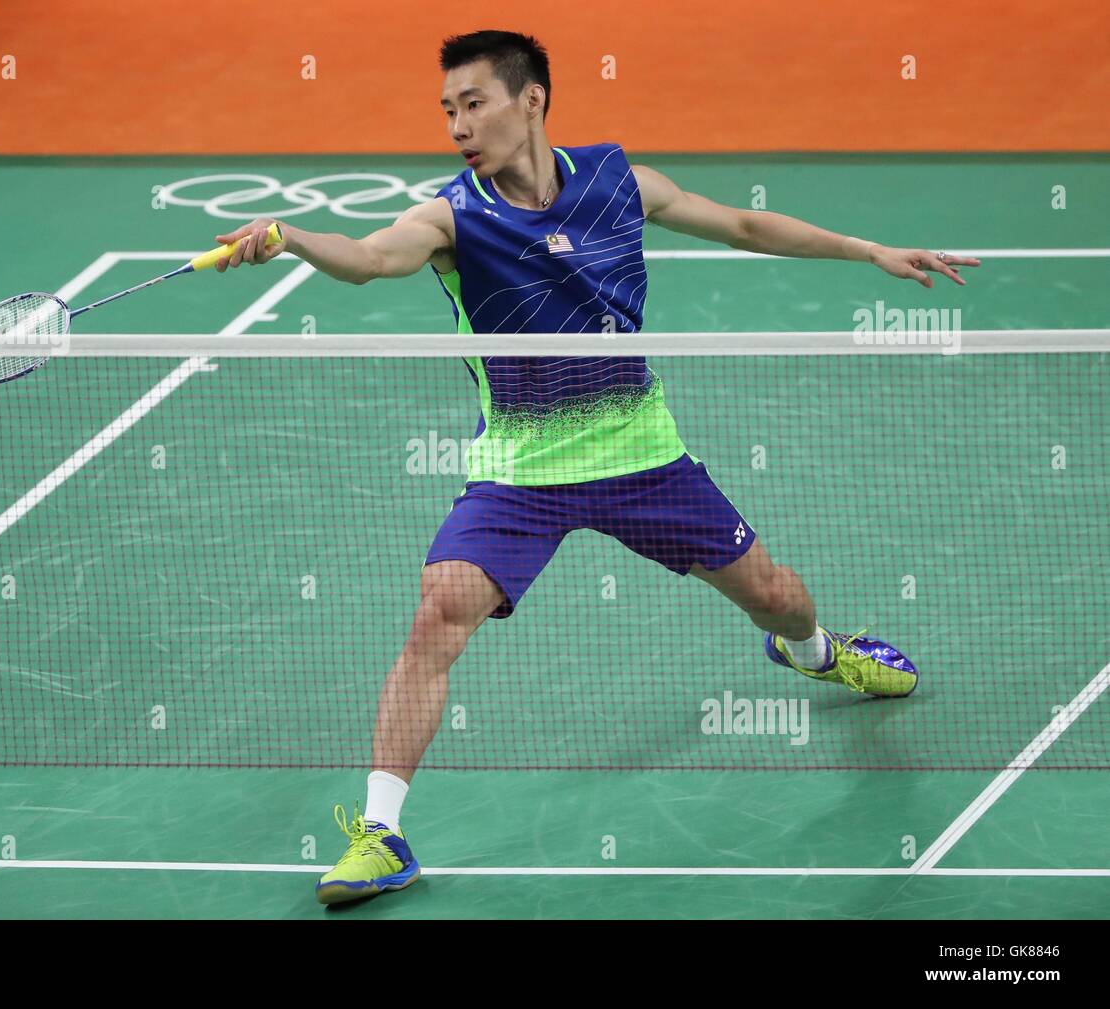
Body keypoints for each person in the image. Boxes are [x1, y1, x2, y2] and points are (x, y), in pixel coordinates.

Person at [211, 29, 980, 906]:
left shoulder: (620, 182)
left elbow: (740, 223)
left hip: (640, 454)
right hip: (520, 469)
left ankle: (813, 654)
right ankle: (383, 833)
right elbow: (374, 258)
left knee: (776, 594)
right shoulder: (453, 216)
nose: (459, 125)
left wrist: (864, 250)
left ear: (531, 99)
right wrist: (297, 238)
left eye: (475, 103)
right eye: (448, 110)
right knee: (438, 612)